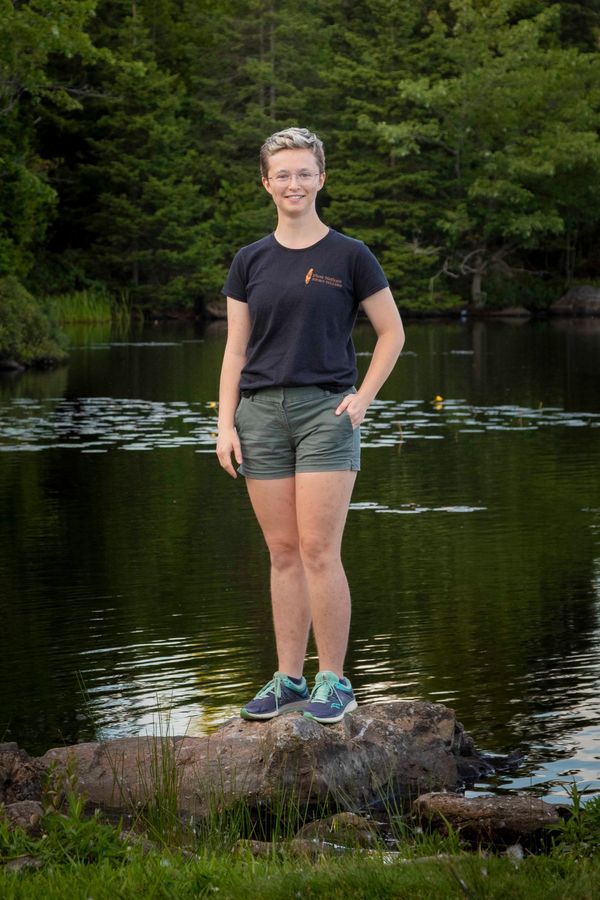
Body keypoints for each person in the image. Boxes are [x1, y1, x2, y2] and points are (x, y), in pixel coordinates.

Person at [216, 126, 404, 724]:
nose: (293, 183)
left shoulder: (350, 255)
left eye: (304, 172)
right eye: (283, 174)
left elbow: (392, 333)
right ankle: (288, 679)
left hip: (328, 412)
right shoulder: (249, 261)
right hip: (260, 416)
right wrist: (225, 425)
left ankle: (335, 681)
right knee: (282, 552)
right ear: (266, 183)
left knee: (321, 549)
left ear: (321, 178)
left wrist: (365, 399)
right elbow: (236, 351)